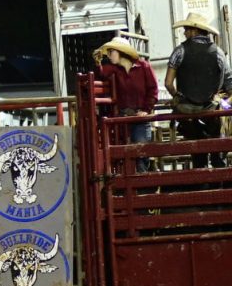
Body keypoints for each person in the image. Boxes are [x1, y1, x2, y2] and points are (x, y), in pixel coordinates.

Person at [164, 13, 232, 169]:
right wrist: (222, 98)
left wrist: (177, 96)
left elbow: (168, 83)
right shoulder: (218, 53)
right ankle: (219, 178)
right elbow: (228, 83)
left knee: (197, 149)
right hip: (210, 109)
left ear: (194, 30)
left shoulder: (179, 51)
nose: (185, 33)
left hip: (187, 110)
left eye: (187, 29)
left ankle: (201, 180)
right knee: (216, 145)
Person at [91, 37, 159, 163]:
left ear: (121, 52)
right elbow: (100, 74)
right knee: (124, 154)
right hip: (123, 117)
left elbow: (153, 90)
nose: (109, 56)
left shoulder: (144, 67)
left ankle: (143, 178)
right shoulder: (115, 69)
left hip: (140, 117)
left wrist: (146, 109)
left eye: (112, 52)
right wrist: (98, 62)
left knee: (140, 154)